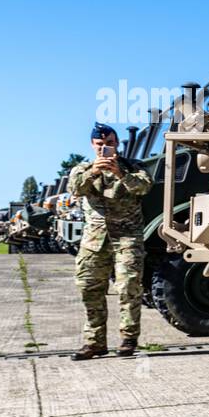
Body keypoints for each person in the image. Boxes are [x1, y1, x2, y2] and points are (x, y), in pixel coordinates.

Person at [66, 124, 153, 359]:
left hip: (127, 237)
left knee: (128, 287)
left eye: (110, 144)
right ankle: (95, 342)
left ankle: (128, 339)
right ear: (93, 146)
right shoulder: (82, 169)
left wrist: (120, 174)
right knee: (89, 288)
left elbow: (144, 187)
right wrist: (94, 172)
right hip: (94, 240)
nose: (106, 148)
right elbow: (75, 189)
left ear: (118, 143)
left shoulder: (133, 167)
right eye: (100, 145)